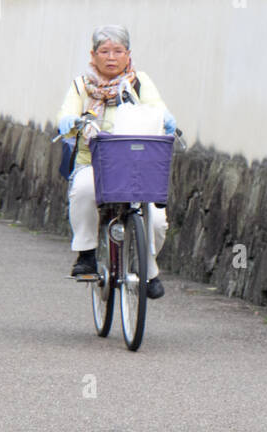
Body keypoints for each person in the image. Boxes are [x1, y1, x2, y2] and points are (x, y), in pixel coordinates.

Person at [56, 25, 179, 299]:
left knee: (157, 220)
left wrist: (166, 119)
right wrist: (69, 121)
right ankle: (86, 254)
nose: (111, 57)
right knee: (84, 191)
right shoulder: (81, 85)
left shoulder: (139, 82)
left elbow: (156, 107)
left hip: (136, 164)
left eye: (118, 51)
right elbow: (66, 113)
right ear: (93, 54)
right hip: (94, 162)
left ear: (128, 54)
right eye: (104, 51)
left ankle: (147, 266)